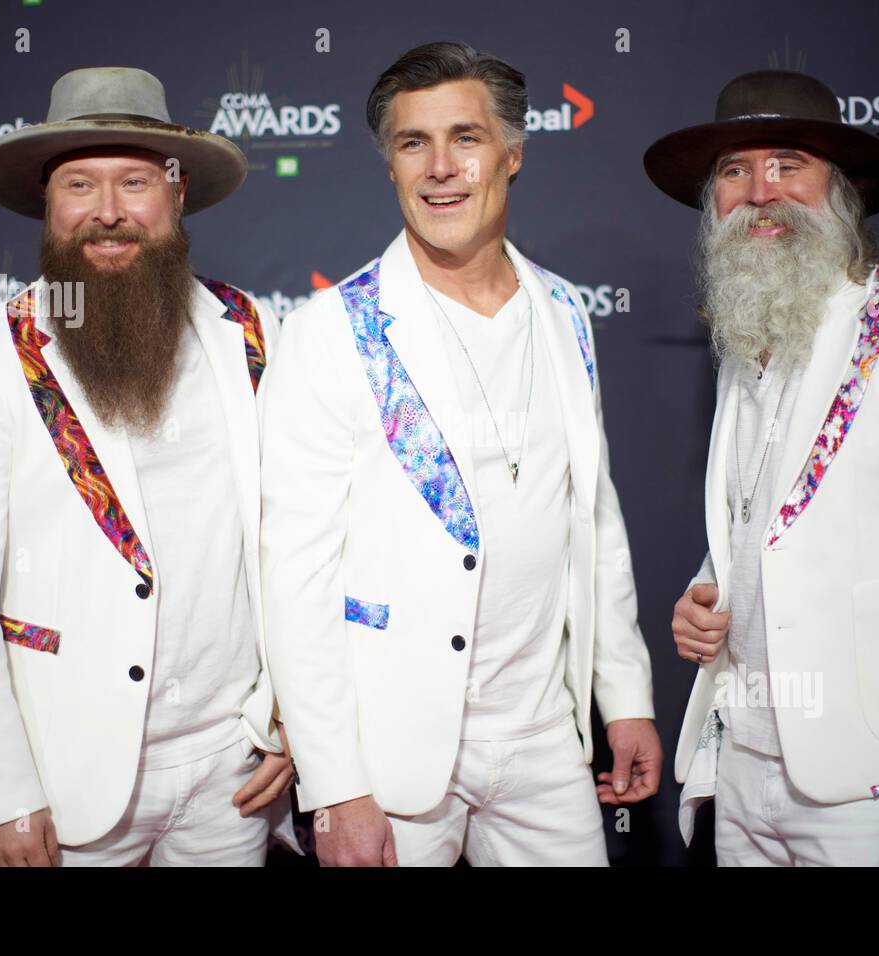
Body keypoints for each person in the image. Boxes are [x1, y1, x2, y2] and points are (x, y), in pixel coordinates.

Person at [259, 41, 659, 867]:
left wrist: (624, 697)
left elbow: (592, 515)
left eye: (465, 139)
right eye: (414, 144)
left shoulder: (563, 312)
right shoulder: (331, 331)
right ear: (390, 166)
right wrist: (333, 786)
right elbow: (293, 573)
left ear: (511, 155)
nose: (441, 168)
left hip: (544, 734)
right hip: (389, 750)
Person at [0, 66, 296, 866]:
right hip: (64, 776)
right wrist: (1, 792)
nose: (108, 213)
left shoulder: (252, 331)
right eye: (80, 184)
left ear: (178, 194)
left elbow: (295, 543)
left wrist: (295, 717)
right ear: (49, 206)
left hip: (233, 774)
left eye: (135, 182)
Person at [645, 69, 879, 866]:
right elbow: (770, 528)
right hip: (741, 769)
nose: (760, 190)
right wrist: (711, 591)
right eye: (735, 172)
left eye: (788, 163)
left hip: (870, 790)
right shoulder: (746, 348)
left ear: (840, 190)